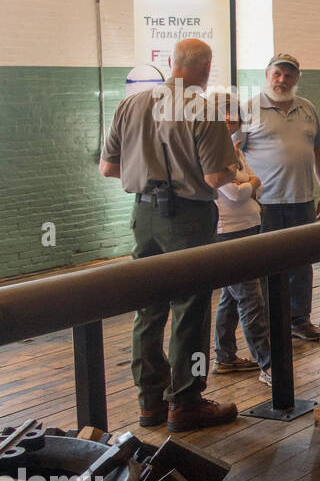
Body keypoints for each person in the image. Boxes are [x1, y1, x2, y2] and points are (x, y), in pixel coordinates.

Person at [98, 38, 239, 432]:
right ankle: (187, 403)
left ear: (172, 64)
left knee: (148, 307)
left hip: (143, 215)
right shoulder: (203, 108)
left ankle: (150, 403)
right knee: (190, 310)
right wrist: (238, 171)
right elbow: (214, 177)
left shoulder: (130, 104)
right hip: (188, 219)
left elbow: (107, 169)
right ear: (206, 69)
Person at [236, 54, 320, 342]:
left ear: (297, 78)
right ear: (267, 75)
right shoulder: (249, 109)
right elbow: (233, 155)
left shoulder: (307, 109)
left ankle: (299, 319)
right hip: (264, 203)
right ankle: (266, 325)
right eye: (277, 74)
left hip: (301, 199)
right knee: (264, 264)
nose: (282, 80)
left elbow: (318, 151)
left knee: (302, 263)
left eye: (289, 75)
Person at [212, 101, 273, 386]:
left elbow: (252, 185)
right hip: (230, 234)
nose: (228, 125)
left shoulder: (235, 152)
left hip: (251, 228)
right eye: (222, 120)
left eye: (233, 121)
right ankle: (269, 364)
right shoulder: (212, 155)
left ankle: (224, 357)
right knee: (251, 299)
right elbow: (234, 193)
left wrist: (246, 185)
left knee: (230, 296)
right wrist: (250, 184)